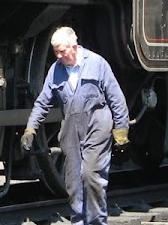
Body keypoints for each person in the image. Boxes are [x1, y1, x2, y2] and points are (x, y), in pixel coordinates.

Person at [21, 26, 129, 225]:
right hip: (70, 129)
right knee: (73, 183)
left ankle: (97, 222)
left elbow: (116, 97)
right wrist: (31, 129)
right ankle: (78, 222)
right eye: (56, 52)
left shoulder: (97, 63)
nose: (59, 55)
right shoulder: (56, 70)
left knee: (91, 176)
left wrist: (121, 129)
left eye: (63, 51)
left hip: (97, 125)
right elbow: (43, 102)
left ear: (75, 47)